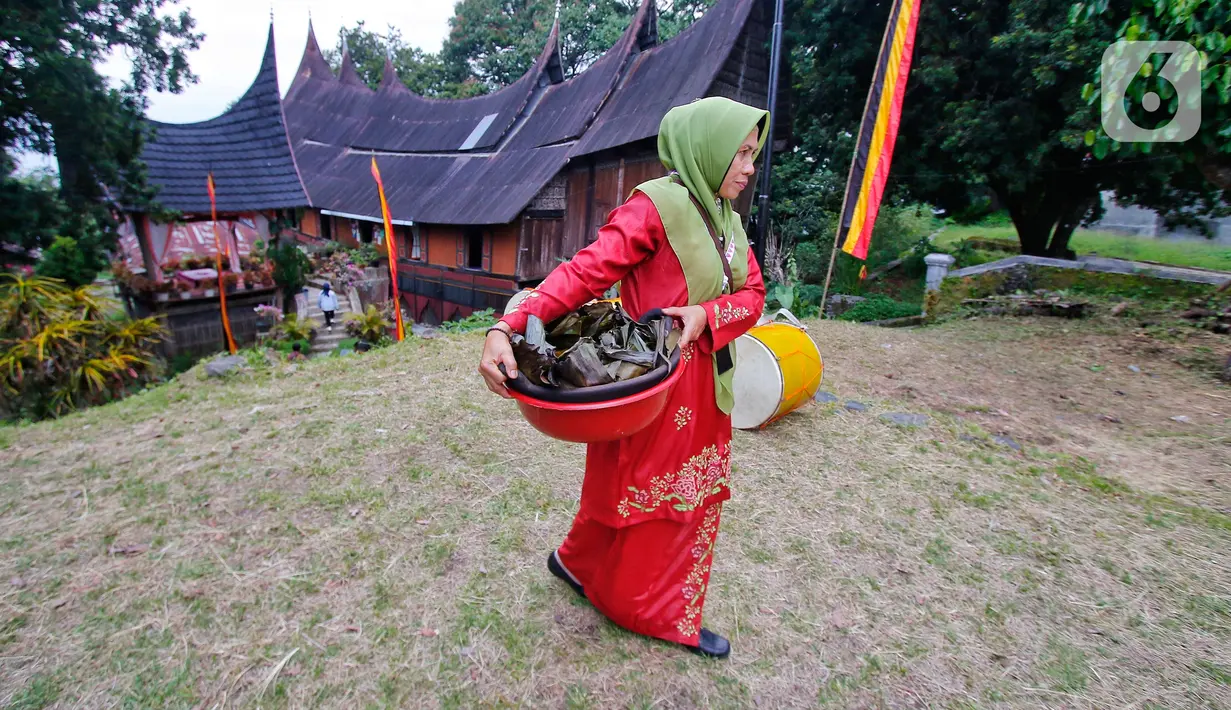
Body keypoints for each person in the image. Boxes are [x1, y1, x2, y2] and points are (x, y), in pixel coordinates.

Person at [478, 97, 768, 659]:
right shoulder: (655, 207)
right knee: (657, 493)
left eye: (753, 154)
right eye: (741, 153)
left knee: (639, 481)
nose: (749, 166)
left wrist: (708, 315)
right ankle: (647, 611)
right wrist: (508, 324)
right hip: (650, 382)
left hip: (708, 380)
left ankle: (575, 561)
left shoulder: (728, 220)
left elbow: (752, 295)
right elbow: (585, 273)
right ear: (707, 149)